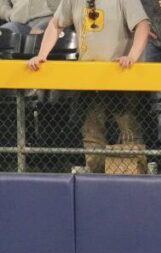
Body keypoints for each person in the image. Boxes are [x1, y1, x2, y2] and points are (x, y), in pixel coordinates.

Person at [27, 0, 149, 174]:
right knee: (92, 136)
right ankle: (96, 184)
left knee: (128, 134)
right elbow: (55, 24)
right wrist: (41, 55)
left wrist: (132, 56)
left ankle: (133, 185)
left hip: (120, 77)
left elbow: (142, 25)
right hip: (88, 79)